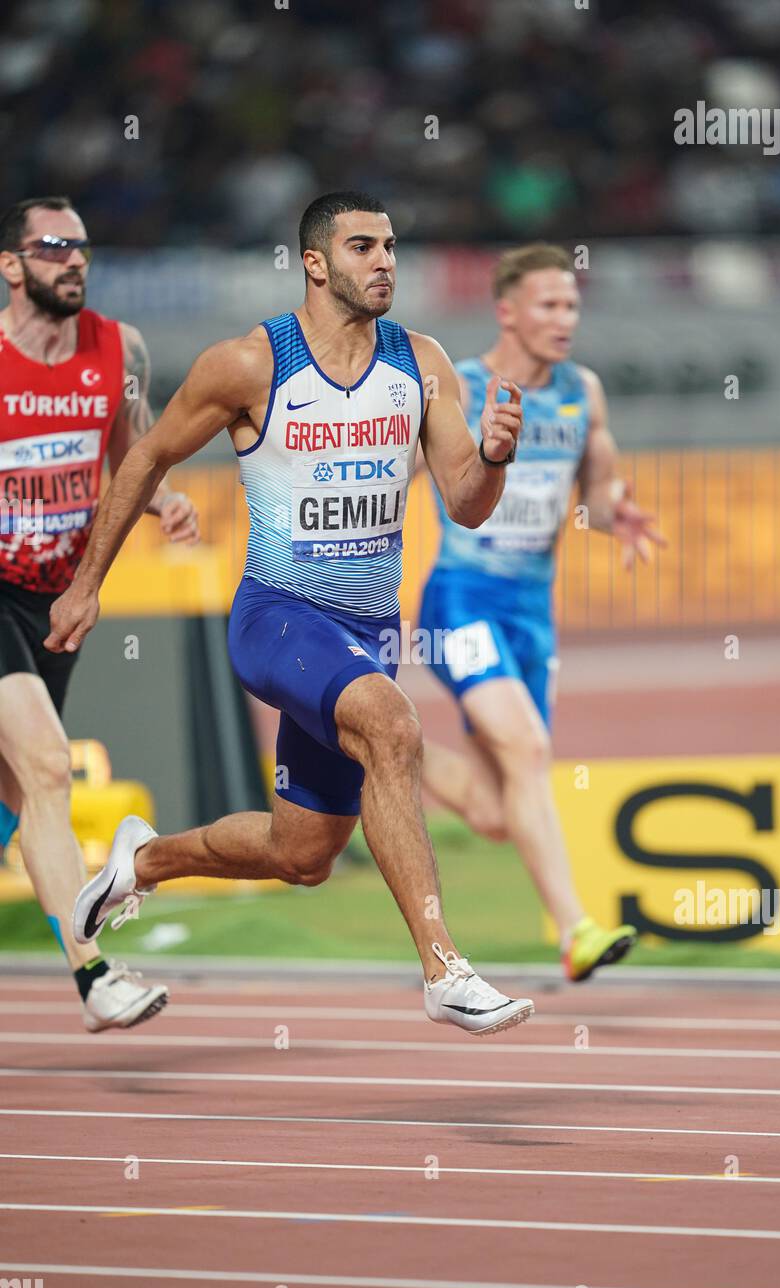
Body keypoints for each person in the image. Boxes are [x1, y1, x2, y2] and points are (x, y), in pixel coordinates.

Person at [47, 191, 534, 1035]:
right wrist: (89, 582)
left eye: (389, 247)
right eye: (361, 248)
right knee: (393, 727)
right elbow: (147, 459)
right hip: (278, 617)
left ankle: (142, 861)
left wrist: (494, 457)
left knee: (303, 854)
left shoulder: (421, 364)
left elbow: (466, 501)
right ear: (315, 263)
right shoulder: (249, 364)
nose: (384, 262)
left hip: (368, 634)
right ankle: (444, 967)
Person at [417, 243, 665, 981]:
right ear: (508, 312)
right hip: (458, 603)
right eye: (551, 306)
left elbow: (597, 482)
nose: (566, 319)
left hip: (532, 615)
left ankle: (380, 743)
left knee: (497, 812)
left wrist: (616, 510)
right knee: (527, 751)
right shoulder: (456, 386)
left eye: (573, 306)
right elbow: (402, 472)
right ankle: (576, 929)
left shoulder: (580, 391)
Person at [0, 195, 199, 1030]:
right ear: (11, 266)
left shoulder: (121, 351)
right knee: (49, 766)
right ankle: (94, 978)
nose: (73, 259)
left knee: (17, 800)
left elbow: (133, 455)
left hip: (58, 599)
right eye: (51, 246)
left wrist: (165, 502)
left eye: (81, 247)